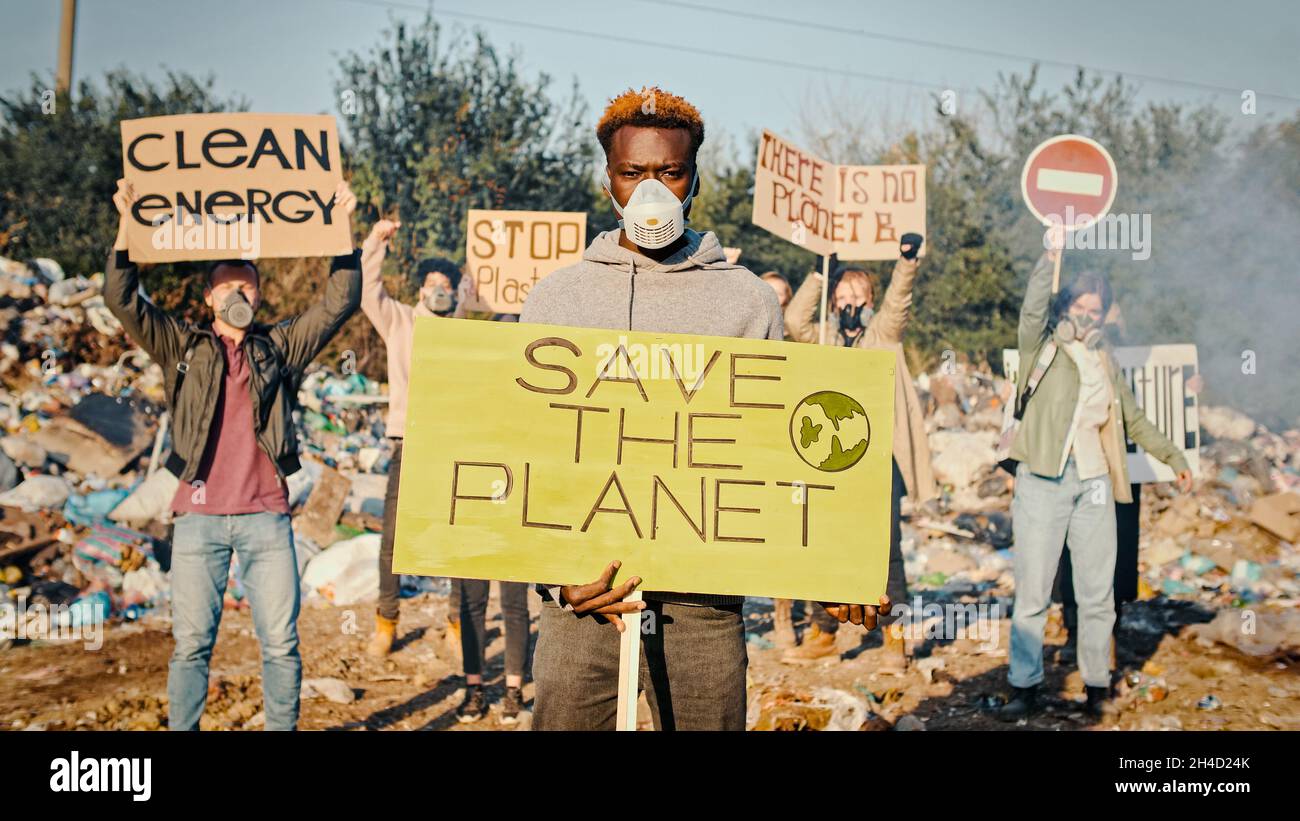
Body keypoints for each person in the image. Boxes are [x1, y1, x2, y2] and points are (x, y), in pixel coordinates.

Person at [519, 86, 890, 730]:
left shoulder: (746, 301)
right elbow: (526, 450)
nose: (651, 190)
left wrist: (834, 567)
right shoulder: (557, 299)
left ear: (695, 179)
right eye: (633, 173)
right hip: (583, 601)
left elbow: (778, 453)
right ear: (609, 178)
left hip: (703, 607)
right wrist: (557, 582)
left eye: (670, 171)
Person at [104, 178, 362, 731]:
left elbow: (340, 300)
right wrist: (127, 227)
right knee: (191, 646)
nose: (238, 296)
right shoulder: (183, 346)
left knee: (280, 645)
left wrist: (341, 227)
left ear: (260, 295)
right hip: (197, 519)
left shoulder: (278, 347)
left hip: (266, 517)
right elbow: (122, 299)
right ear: (208, 298)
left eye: (246, 286)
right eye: (227, 288)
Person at [1000, 229, 1192, 721]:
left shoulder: (1104, 360)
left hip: (1094, 484)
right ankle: (1024, 687)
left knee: (1096, 592)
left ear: (1105, 315)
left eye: (1096, 308)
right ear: (1067, 306)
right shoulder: (1041, 345)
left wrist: (1174, 458)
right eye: (1080, 306)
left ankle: (1096, 685)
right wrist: (1049, 255)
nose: (1087, 315)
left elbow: (1133, 421)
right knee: (1034, 592)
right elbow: (1031, 307)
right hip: (1042, 480)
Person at [782, 243, 935, 672]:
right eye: (842, 299)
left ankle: (894, 639)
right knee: (820, 543)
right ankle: (823, 633)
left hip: (879, 458)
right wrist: (817, 275)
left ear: (871, 303)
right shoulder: (824, 338)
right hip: (832, 459)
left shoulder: (883, 337)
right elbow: (795, 319)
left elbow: (899, 303)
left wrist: (906, 261)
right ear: (833, 304)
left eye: (859, 298)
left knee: (886, 550)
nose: (851, 306)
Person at [357, 218, 467, 658]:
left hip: (454, 447)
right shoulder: (400, 321)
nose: (438, 290)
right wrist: (375, 243)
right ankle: (386, 622)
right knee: (395, 539)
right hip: (409, 444)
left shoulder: (466, 330)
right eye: (432, 283)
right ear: (420, 290)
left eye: (446, 284)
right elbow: (368, 292)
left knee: (458, 538)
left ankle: (458, 624)